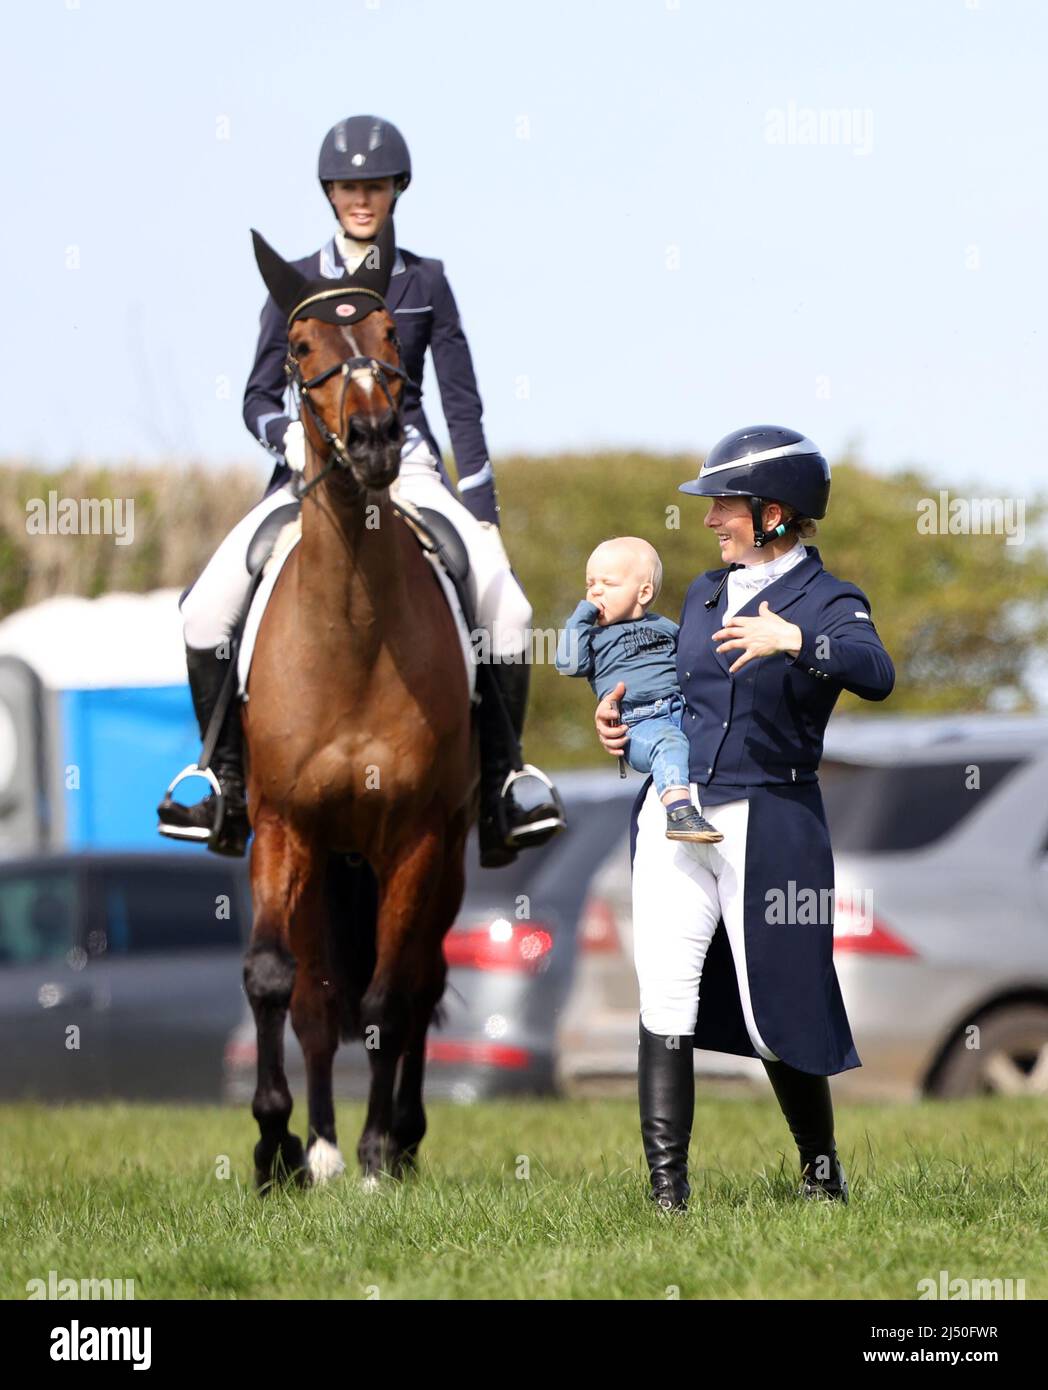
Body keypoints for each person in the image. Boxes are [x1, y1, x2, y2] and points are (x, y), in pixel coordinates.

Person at [157, 114, 565, 866]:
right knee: (204, 609)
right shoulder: (294, 284)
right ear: (330, 193)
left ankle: (506, 784)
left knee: (509, 608)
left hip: (404, 468)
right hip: (308, 472)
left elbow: (462, 404)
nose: (360, 199)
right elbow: (255, 395)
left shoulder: (425, 281)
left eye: (373, 186)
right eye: (348, 188)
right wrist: (283, 437)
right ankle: (222, 779)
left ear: (395, 190)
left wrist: (484, 516)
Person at [594, 425, 895, 1211]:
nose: (707, 520)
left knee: (776, 1011)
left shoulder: (828, 599)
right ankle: (667, 1197)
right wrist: (621, 731)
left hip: (770, 819)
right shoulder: (698, 593)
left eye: (722, 505)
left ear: (772, 513)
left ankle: (821, 1174)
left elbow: (876, 672)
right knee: (664, 999)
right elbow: (673, 697)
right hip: (674, 814)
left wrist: (794, 639)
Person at [554, 536, 722, 842]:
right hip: (638, 723)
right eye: (590, 584)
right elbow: (567, 664)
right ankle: (679, 814)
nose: (595, 591)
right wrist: (580, 616)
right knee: (668, 744)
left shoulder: (665, 627)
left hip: (681, 709)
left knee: (704, 741)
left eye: (608, 583)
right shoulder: (591, 637)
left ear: (643, 592)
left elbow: (693, 663)